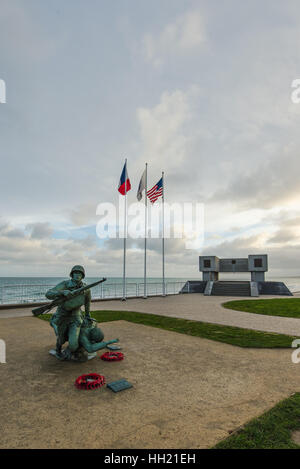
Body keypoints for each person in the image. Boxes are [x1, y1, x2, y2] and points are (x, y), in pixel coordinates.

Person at [47, 265, 91, 358]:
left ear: (83, 276)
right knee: (61, 339)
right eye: (75, 273)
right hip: (62, 315)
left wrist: (87, 315)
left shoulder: (86, 288)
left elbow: (87, 303)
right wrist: (62, 292)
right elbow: (48, 294)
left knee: (73, 346)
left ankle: (75, 349)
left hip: (75, 316)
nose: (77, 275)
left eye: (80, 273)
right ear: (72, 274)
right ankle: (58, 348)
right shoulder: (65, 284)